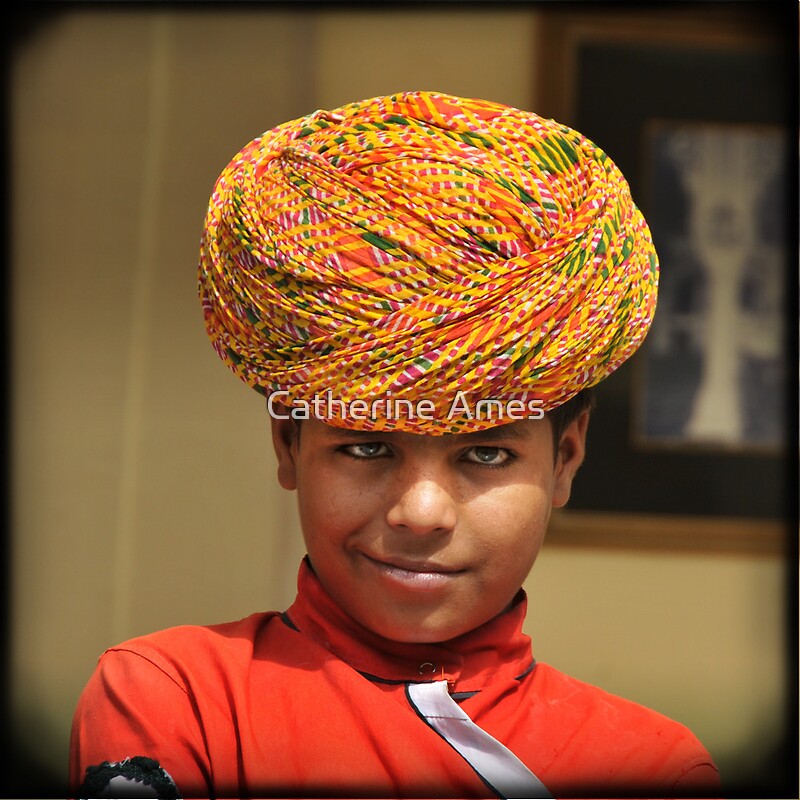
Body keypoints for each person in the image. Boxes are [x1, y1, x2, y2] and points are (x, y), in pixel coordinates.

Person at [70, 91, 720, 799]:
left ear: (566, 457)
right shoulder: (178, 698)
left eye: (486, 453)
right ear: (289, 443)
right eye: (368, 449)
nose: (422, 512)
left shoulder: (651, 766)